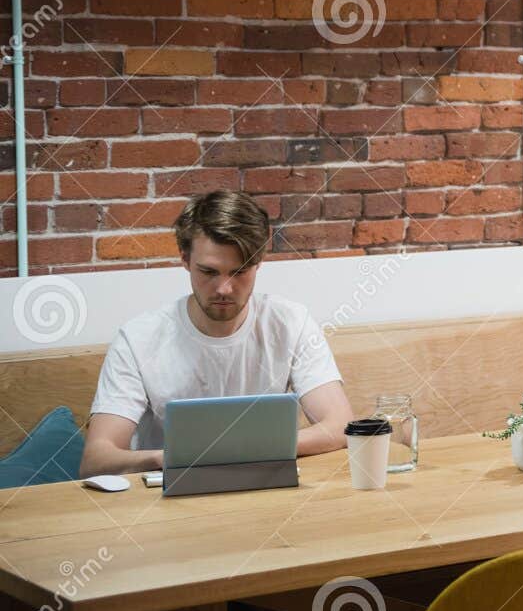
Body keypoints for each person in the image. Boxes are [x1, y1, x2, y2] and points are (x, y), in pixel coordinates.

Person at [80, 190, 356, 476]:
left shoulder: (291, 323)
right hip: (170, 490)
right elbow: (96, 459)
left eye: (240, 271)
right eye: (209, 272)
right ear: (185, 259)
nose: (224, 289)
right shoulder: (138, 340)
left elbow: (340, 425)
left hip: (263, 486)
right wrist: (172, 458)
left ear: (259, 261)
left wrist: (244, 451)